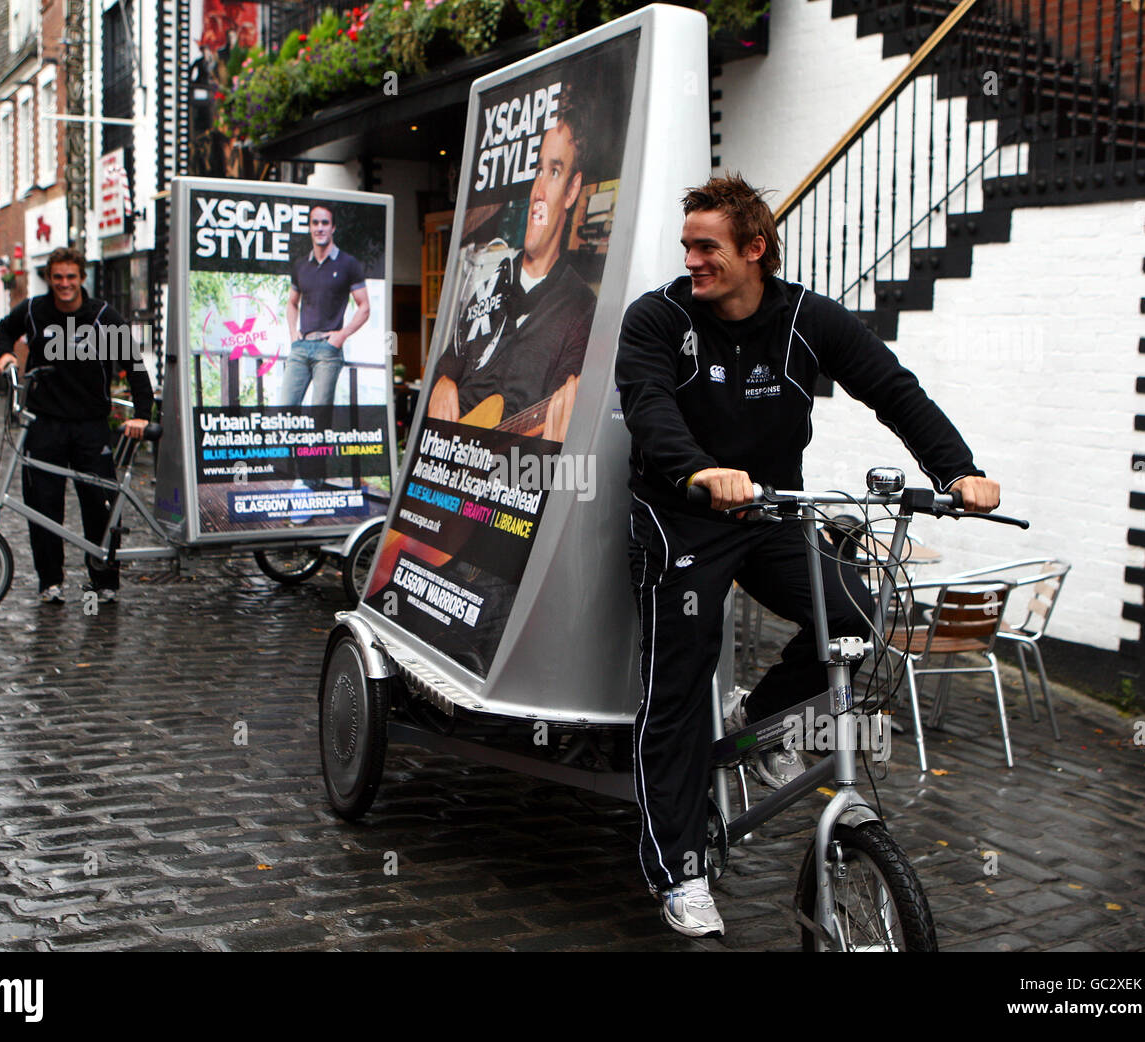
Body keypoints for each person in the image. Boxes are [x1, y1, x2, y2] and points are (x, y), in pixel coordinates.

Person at [614, 174, 1001, 938]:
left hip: (771, 514)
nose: (691, 259)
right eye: (687, 245)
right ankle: (680, 869)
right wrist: (697, 470)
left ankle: (758, 722)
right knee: (679, 692)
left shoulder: (807, 319)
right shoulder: (658, 319)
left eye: (707, 246)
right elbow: (648, 403)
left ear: (754, 249)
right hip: (681, 519)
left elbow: (893, 389)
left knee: (857, 613)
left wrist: (955, 470)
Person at [428, 85, 596, 443]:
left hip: (512, 476)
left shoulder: (581, 309)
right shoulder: (491, 283)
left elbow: (557, 424)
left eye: (553, 172)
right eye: (536, 170)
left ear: (571, 190)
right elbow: (450, 363)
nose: (537, 190)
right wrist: (442, 382)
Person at [0, 246, 154, 605]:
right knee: (42, 506)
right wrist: (4, 353)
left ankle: (104, 581)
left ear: (82, 278)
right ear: (49, 278)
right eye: (57, 277)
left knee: (100, 506)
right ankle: (50, 582)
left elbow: (135, 365)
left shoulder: (102, 317)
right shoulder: (35, 311)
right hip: (44, 424)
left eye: (71, 277)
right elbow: (5, 329)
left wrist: (143, 413)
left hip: (90, 426)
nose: (64, 284)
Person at [282, 203, 370, 421]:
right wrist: (293, 334)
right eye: (315, 223)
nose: (320, 228)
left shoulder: (348, 263)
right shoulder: (301, 265)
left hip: (328, 352)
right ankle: (291, 457)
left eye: (325, 223)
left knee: (319, 419)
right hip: (300, 348)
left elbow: (365, 307)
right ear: (310, 227)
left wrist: (341, 335)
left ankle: (315, 457)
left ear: (333, 228)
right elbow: (292, 303)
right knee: (284, 411)